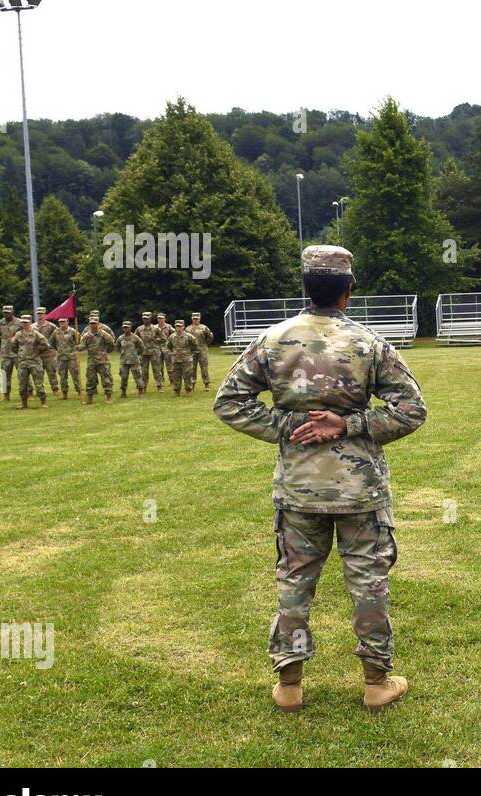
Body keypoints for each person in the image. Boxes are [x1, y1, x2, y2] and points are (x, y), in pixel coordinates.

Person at [214, 245, 426, 714]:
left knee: (294, 582)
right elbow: (412, 410)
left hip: (299, 488)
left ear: (306, 286)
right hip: (360, 490)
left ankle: (289, 686)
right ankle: (376, 683)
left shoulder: (273, 339)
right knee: (368, 582)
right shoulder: (369, 344)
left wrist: (288, 428)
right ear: (347, 291)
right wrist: (349, 424)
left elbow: (229, 402)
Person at [7, 315, 51, 409]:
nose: (24, 324)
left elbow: (46, 345)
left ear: (30, 323)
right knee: (22, 385)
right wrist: (20, 353)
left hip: (35, 362)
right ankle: (24, 403)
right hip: (23, 363)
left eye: (26, 322)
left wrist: (37, 350)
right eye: (23, 322)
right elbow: (13, 346)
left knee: (39, 384)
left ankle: (43, 402)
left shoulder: (36, 334)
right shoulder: (18, 334)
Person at [78, 311, 117, 403]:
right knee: (90, 379)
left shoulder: (104, 334)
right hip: (91, 360)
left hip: (103, 360)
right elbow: (82, 346)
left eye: (94, 323)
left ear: (98, 323)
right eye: (91, 323)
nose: (93, 325)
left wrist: (106, 352)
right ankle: (89, 399)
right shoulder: (86, 335)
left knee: (106, 379)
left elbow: (112, 343)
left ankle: (109, 397)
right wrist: (79, 348)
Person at [0, 305, 23, 402]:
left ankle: (28, 392)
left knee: (22, 374)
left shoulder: (19, 323)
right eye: (5, 312)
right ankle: (6, 395)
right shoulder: (0, 323)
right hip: (6, 353)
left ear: (13, 312)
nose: (6, 314)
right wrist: (3, 342)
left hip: (18, 352)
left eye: (8, 312)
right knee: (4, 375)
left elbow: (26, 332)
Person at [135, 311, 166, 392]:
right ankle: (143, 387)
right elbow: (135, 339)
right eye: (144, 319)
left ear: (150, 319)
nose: (145, 320)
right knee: (144, 371)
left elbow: (164, 338)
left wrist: (156, 340)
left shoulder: (156, 328)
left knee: (157, 370)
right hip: (143, 353)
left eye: (147, 319)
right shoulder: (139, 329)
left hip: (154, 352)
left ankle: (159, 386)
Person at [34, 307, 61, 395]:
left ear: (45, 314)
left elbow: (58, 337)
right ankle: (40, 391)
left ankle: (55, 389)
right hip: (37, 354)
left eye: (41, 313)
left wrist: (54, 347)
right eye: (38, 313)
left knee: (52, 372)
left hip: (50, 354)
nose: (40, 315)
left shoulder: (51, 326)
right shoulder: (33, 327)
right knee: (38, 374)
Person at [116, 321, 148, 397]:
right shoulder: (120, 338)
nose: (125, 329)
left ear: (130, 328)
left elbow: (142, 347)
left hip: (134, 361)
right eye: (124, 327)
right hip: (124, 361)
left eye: (127, 327)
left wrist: (138, 354)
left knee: (137, 376)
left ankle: (140, 391)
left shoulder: (135, 337)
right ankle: (123, 392)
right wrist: (122, 353)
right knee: (123, 377)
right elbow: (117, 347)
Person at [53, 317, 80, 399]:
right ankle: (65, 393)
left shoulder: (73, 331)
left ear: (67, 322)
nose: (62, 323)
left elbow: (79, 341)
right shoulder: (56, 332)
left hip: (71, 357)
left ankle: (79, 391)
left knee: (75, 375)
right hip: (61, 358)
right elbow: (51, 342)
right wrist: (58, 349)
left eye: (64, 321)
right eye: (60, 322)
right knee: (63, 377)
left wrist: (75, 349)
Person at [186, 312, 214, 390]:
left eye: (197, 319)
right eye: (194, 319)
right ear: (192, 319)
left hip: (202, 351)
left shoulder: (204, 327)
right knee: (192, 368)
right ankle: (192, 385)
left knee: (204, 368)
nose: (195, 320)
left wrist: (205, 344)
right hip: (192, 351)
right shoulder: (188, 329)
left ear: (199, 319)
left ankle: (206, 384)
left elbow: (210, 336)